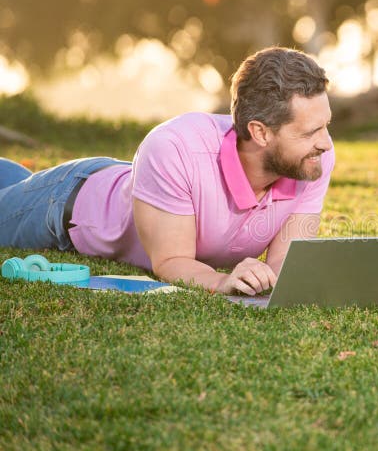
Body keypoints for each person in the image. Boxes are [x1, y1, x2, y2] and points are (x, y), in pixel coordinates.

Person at [0, 46, 334, 296]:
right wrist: (222, 282)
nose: (325, 143)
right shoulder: (174, 147)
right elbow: (171, 260)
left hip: (142, 186)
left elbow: (286, 266)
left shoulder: (311, 160)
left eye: (325, 126)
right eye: (310, 132)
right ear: (260, 132)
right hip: (65, 204)